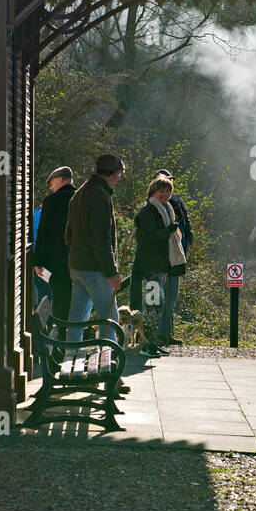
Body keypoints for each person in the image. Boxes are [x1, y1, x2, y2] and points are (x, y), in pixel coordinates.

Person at [64, 153, 125, 349]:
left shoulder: (80, 192)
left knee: (77, 320)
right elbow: (101, 240)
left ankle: (71, 360)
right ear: (115, 173)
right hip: (96, 270)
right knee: (109, 319)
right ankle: (111, 367)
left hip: (76, 266)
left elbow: (68, 236)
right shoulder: (101, 196)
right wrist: (111, 272)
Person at [132, 175, 188, 358]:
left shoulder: (167, 210)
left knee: (157, 304)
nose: (165, 194)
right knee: (154, 304)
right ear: (153, 192)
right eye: (161, 191)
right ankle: (147, 346)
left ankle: (153, 343)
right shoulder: (148, 211)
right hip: (150, 266)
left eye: (168, 191)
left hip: (160, 266)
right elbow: (147, 237)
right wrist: (168, 231)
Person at [153, 168, 193, 346]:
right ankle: (159, 335)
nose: (167, 191)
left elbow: (184, 226)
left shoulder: (172, 203)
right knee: (161, 299)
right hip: (163, 260)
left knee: (170, 298)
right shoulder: (154, 207)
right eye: (163, 186)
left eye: (168, 186)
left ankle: (166, 334)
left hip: (175, 257)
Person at [32, 166, 75, 323]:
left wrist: (37, 262)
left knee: (57, 299)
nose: (51, 187)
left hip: (55, 264)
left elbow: (44, 235)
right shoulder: (80, 198)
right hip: (79, 261)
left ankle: (59, 340)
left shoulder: (51, 201)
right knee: (76, 301)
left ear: (60, 180)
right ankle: (74, 338)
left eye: (52, 183)